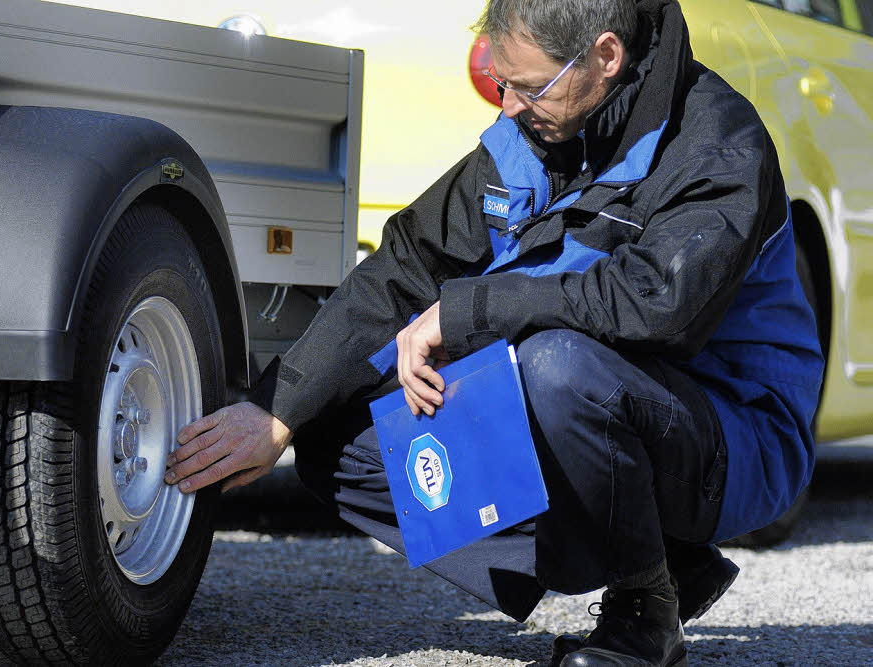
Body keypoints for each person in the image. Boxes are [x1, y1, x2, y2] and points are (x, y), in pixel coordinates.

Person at [163, 0, 824, 664]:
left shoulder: (718, 145)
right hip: (602, 402)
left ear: (606, 56)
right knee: (334, 433)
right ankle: (645, 549)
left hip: (735, 435)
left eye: (528, 87)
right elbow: (404, 266)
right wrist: (276, 411)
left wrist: (471, 313)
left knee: (557, 366)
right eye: (500, 82)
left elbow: (657, 308)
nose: (507, 107)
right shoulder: (539, 131)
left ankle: (646, 609)